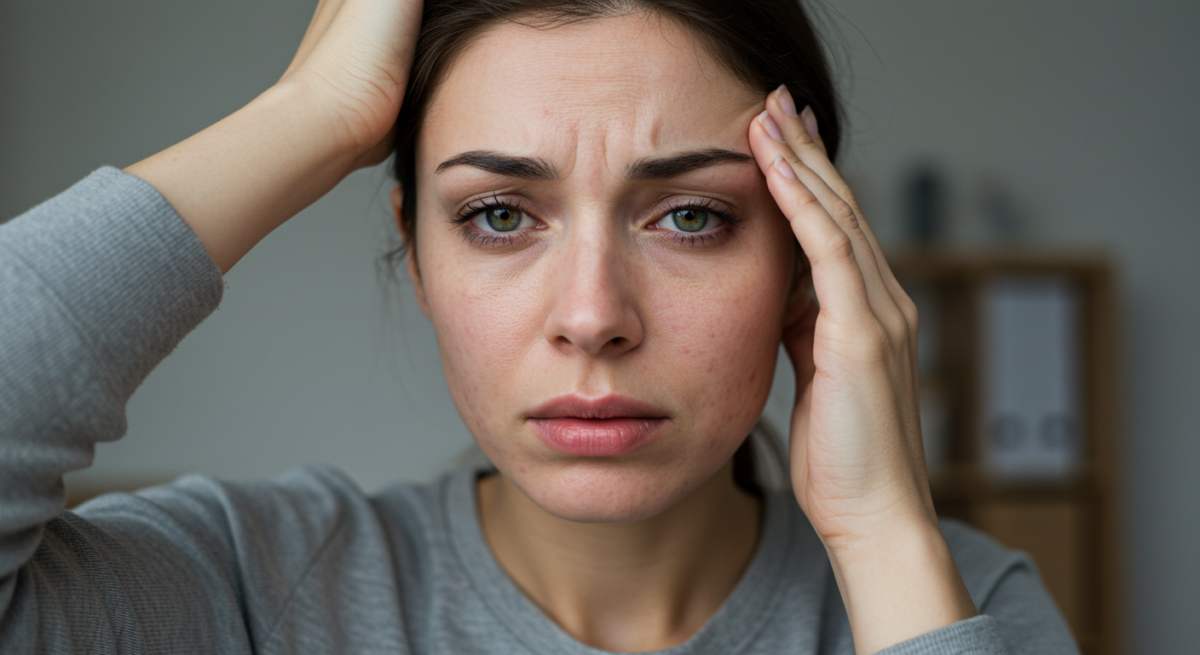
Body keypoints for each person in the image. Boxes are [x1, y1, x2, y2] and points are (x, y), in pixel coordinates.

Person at [0, 0, 1079, 653]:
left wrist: (885, 531)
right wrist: (309, 116)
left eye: (691, 216)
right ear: (416, 253)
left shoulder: (955, 605)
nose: (593, 317)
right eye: (500, 216)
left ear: (809, 259)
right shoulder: (242, 588)